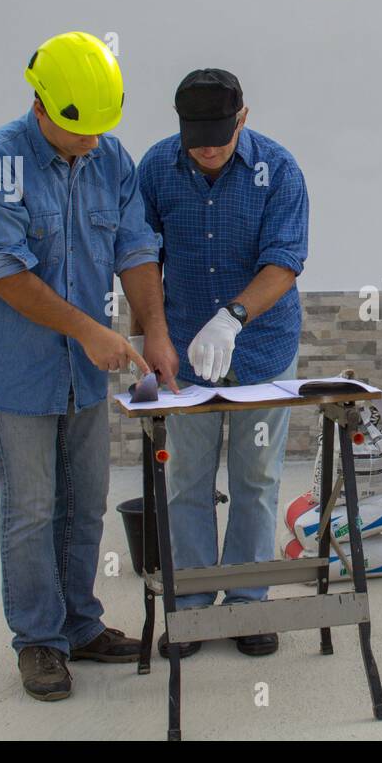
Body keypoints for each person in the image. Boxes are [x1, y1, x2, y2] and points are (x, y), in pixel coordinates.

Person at [0, 31, 181, 700]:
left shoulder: (109, 157)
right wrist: (87, 330)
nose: (95, 143)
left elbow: (135, 247)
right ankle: (40, 643)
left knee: (83, 508)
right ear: (41, 105)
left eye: (106, 129)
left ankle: (80, 625)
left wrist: (154, 331)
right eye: (83, 132)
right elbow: (6, 274)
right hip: (15, 375)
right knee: (30, 510)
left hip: (81, 378)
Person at [138, 69, 309, 659]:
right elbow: (141, 258)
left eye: (220, 134)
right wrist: (152, 339)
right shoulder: (158, 168)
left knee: (255, 478)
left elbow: (285, 260)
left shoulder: (278, 169)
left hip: (262, 347)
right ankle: (189, 607)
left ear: (243, 116)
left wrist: (233, 316)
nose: (208, 149)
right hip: (183, 352)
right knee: (185, 477)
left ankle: (245, 605)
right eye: (196, 137)